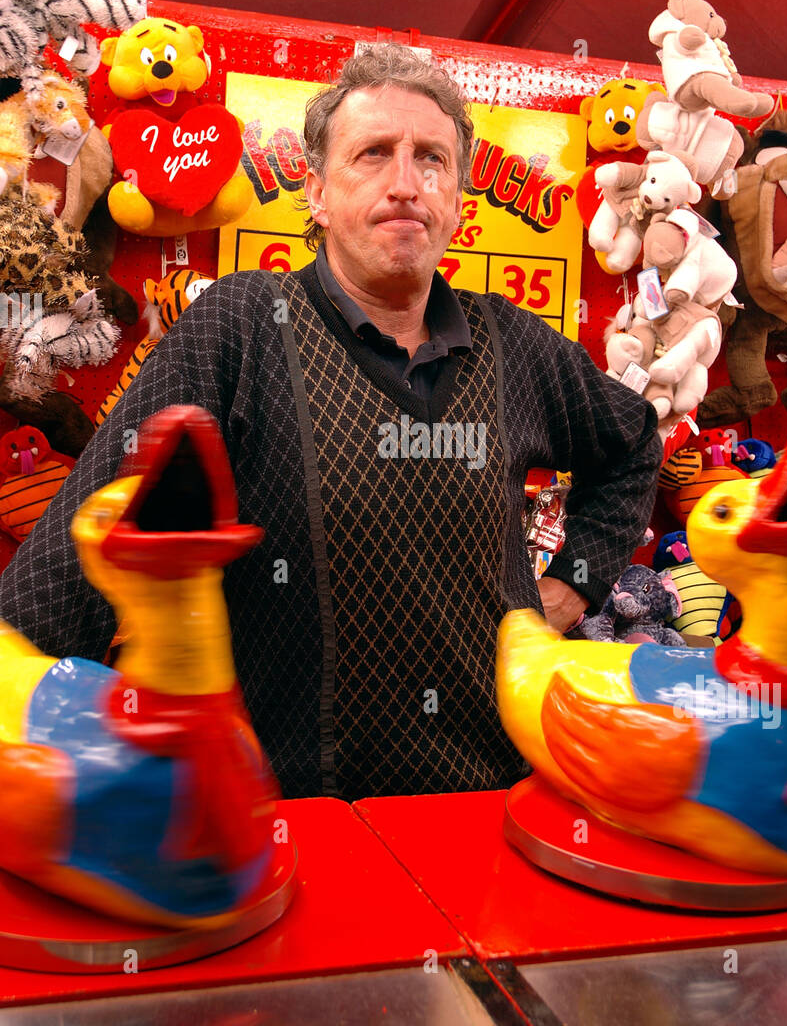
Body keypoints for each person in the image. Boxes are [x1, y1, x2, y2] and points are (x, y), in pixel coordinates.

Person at [0, 45, 662, 800]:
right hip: (295, 821)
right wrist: (22, 703)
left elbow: (635, 443)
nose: (406, 184)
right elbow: (81, 553)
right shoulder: (240, 326)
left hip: (494, 808)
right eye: (373, 154)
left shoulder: (515, 343)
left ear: (458, 201)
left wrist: (575, 581)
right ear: (315, 192)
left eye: (432, 160)